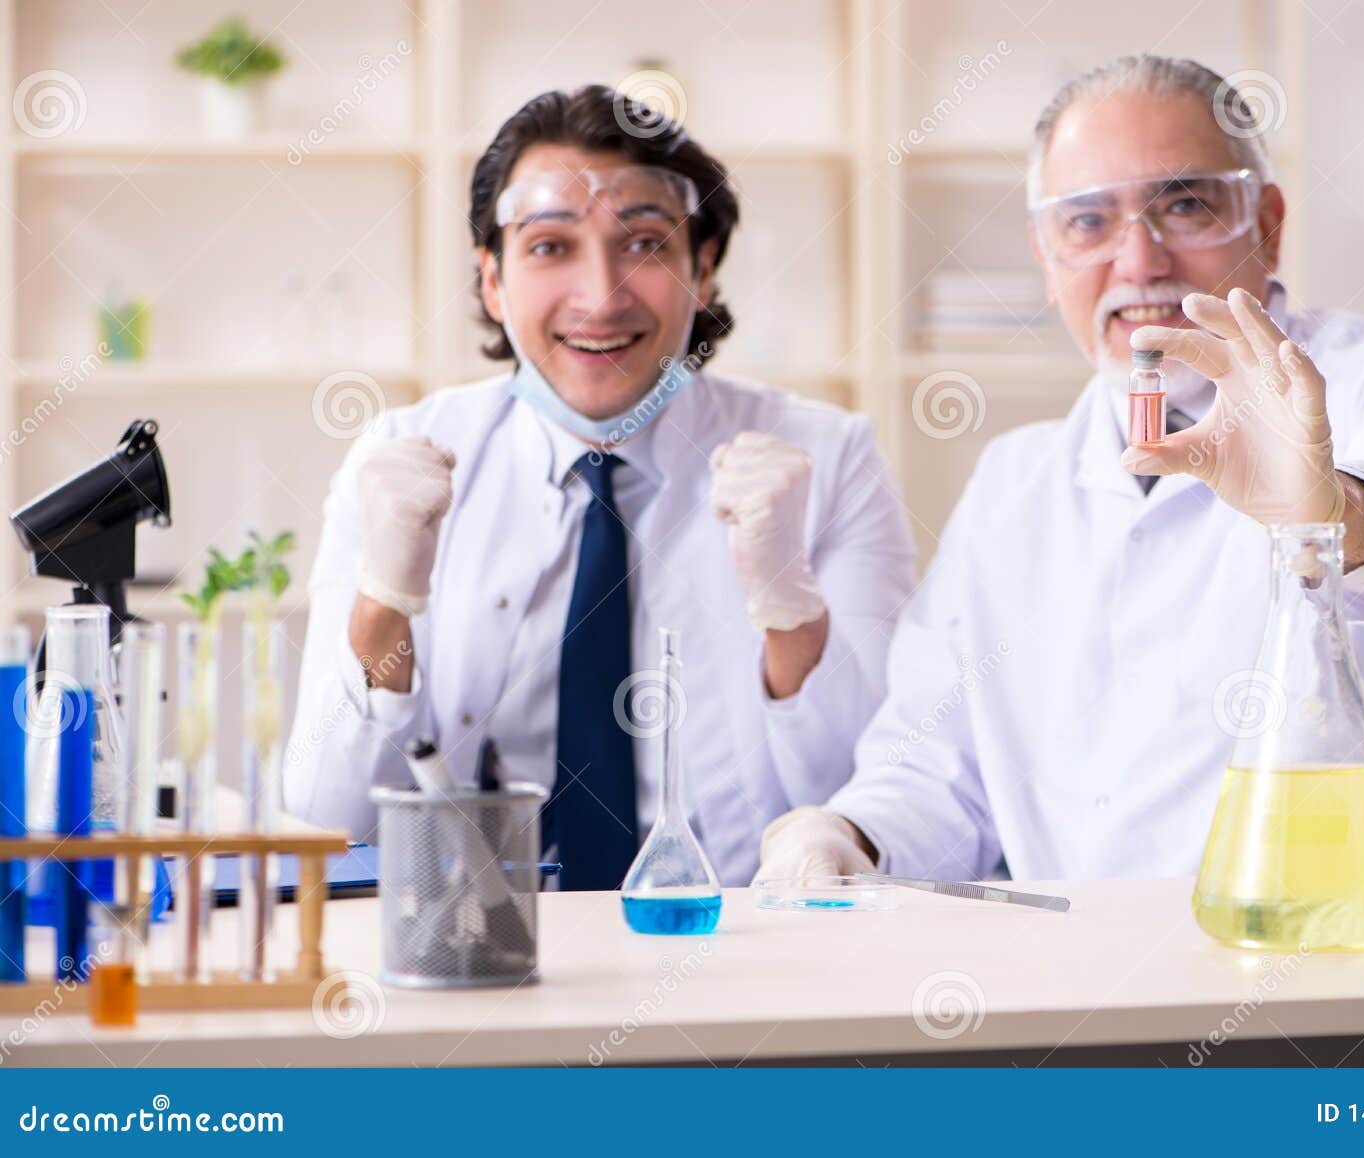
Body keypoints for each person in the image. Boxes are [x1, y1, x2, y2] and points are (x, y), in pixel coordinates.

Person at [756, 54, 1364, 884]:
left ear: (1268, 223)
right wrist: (845, 833)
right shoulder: (1014, 481)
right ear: (1046, 252)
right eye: (1087, 222)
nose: (1139, 263)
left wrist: (1329, 507)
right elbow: (936, 768)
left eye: (1185, 205)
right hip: (1098, 995)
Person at [284, 86, 916, 889]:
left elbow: (875, 803)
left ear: (706, 269)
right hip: (482, 951)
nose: (602, 296)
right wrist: (383, 608)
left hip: (741, 951)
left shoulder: (830, 459)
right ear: (492, 279)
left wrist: (790, 612)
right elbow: (326, 811)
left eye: (647, 243)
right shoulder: (399, 459)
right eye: (550, 246)